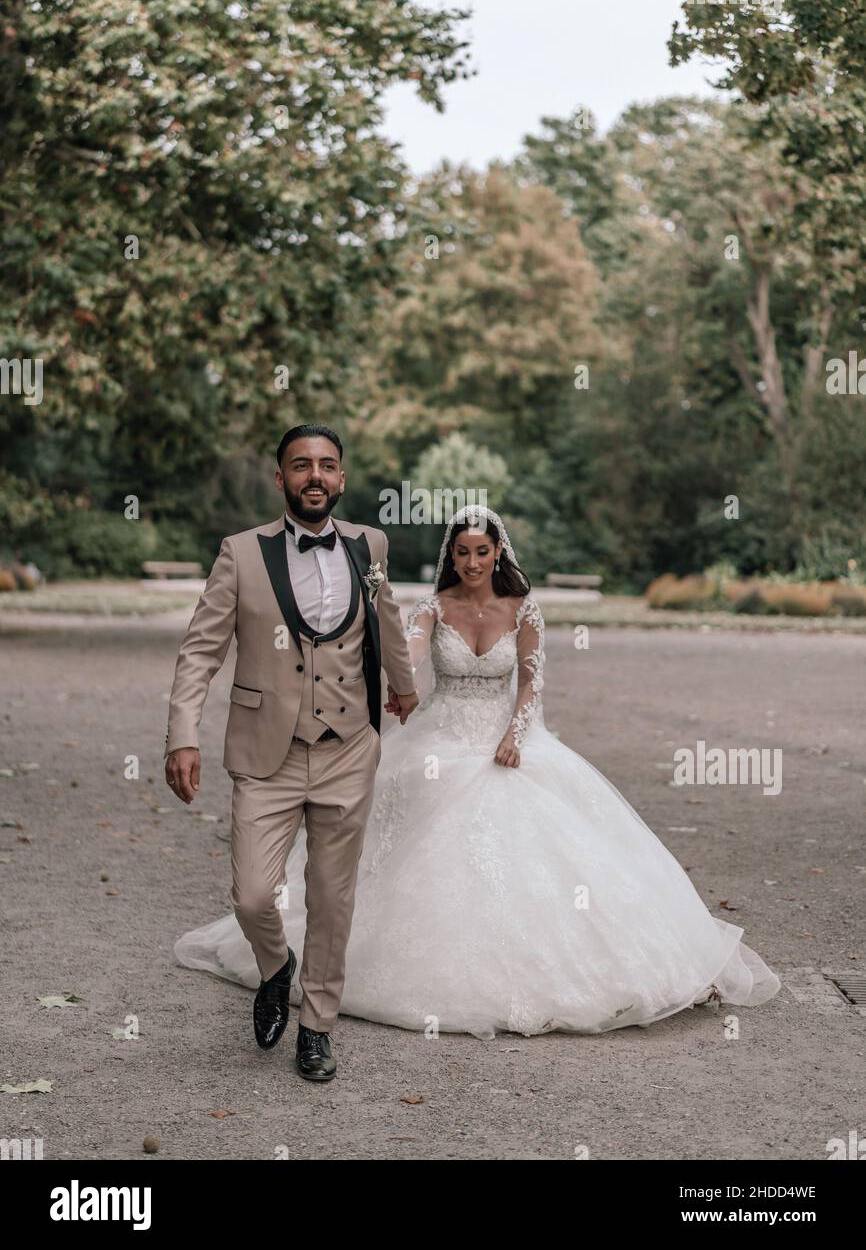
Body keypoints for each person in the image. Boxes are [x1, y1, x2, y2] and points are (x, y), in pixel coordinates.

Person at [174, 503, 781, 1042]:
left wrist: (515, 738)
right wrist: (393, 684)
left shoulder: (525, 609)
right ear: (451, 556)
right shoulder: (433, 608)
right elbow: (406, 653)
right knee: (409, 819)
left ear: (498, 554)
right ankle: (303, 965)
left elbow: (532, 682)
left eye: (481, 552)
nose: (471, 562)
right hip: (440, 736)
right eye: (461, 552)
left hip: (509, 738)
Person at [164, 424, 418, 1082]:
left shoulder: (371, 546)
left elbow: (386, 619)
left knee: (333, 900)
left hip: (348, 750)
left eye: (327, 466)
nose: (315, 475)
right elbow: (201, 649)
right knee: (252, 895)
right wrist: (182, 732)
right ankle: (276, 968)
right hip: (266, 754)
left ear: (341, 478)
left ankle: (317, 1028)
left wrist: (407, 688)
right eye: (301, 465)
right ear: (280, 478)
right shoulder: (241, 554)